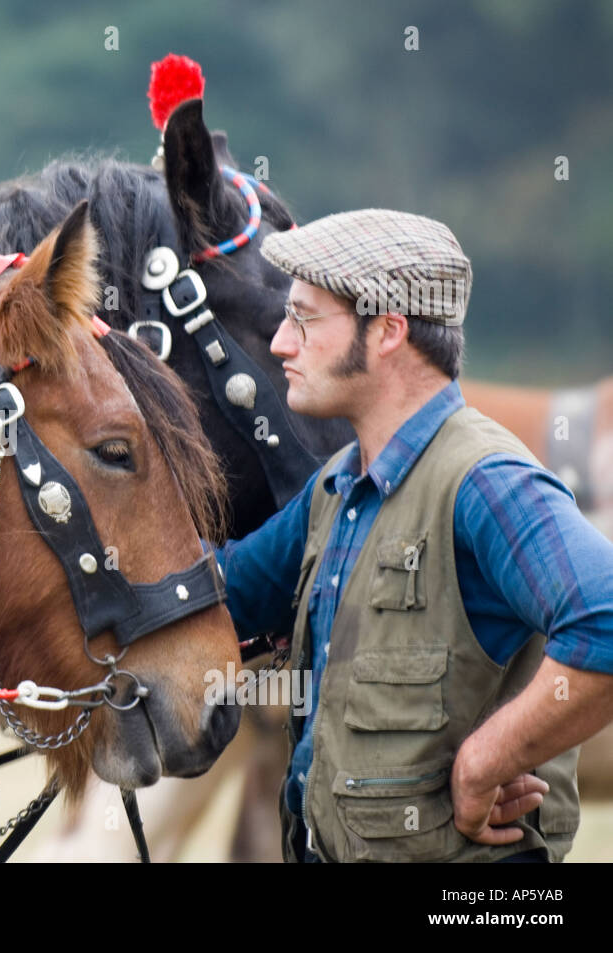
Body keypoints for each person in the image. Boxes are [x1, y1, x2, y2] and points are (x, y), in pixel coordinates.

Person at [215, 208, 613, 862]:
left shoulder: (486, 481)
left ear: (388, 331)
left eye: (305, 319)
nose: (282, 343)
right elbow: (221, 593)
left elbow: (606, 618)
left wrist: (484, 763)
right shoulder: (338, 487)